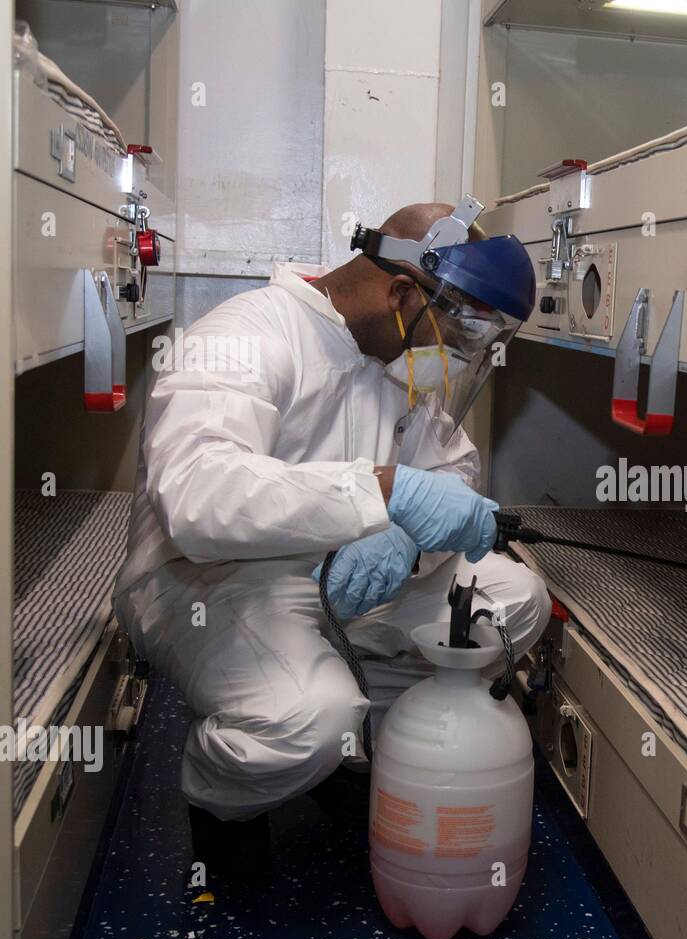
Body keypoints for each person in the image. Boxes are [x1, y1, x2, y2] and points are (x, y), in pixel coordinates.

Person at [112, 200, 548, 882]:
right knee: (305, 717)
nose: (452, 358)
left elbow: (450, 464)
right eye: (450, 334)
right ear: (400, 290)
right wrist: (380, 493)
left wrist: (406, 535)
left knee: (511, 601)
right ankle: (225, 798)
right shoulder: (251, 335)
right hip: (210, 578)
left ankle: (346, 746)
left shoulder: (396, 356)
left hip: (346, 572)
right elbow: (197, 496)